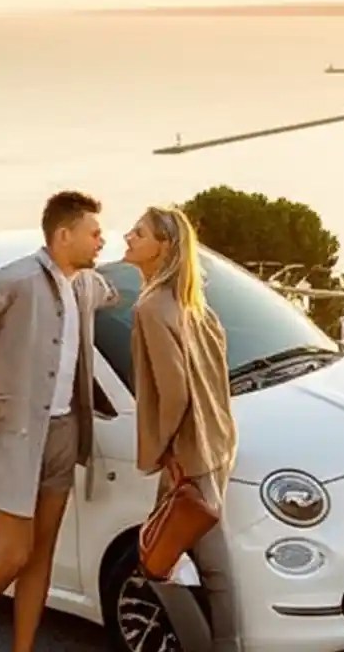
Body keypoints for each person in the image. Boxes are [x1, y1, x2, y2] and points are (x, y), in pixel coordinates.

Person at [0, 190, 116, 652]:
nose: (102, 241)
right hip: (15, 436)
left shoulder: (85, 286)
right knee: (15, 554)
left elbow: (125, 291)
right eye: (94, 233)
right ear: (63, 234)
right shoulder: (15, 280)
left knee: (41, 556)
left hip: (64, 433)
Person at [122, 205, 241, 651]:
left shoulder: (152, 307)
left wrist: (160, 452)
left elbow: (174, 394)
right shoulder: (194, 303)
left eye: (139, 233)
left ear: (163, 247)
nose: (128, 238)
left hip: (187, 456)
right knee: (214, 567)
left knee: (159, 562)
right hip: (217, 445)